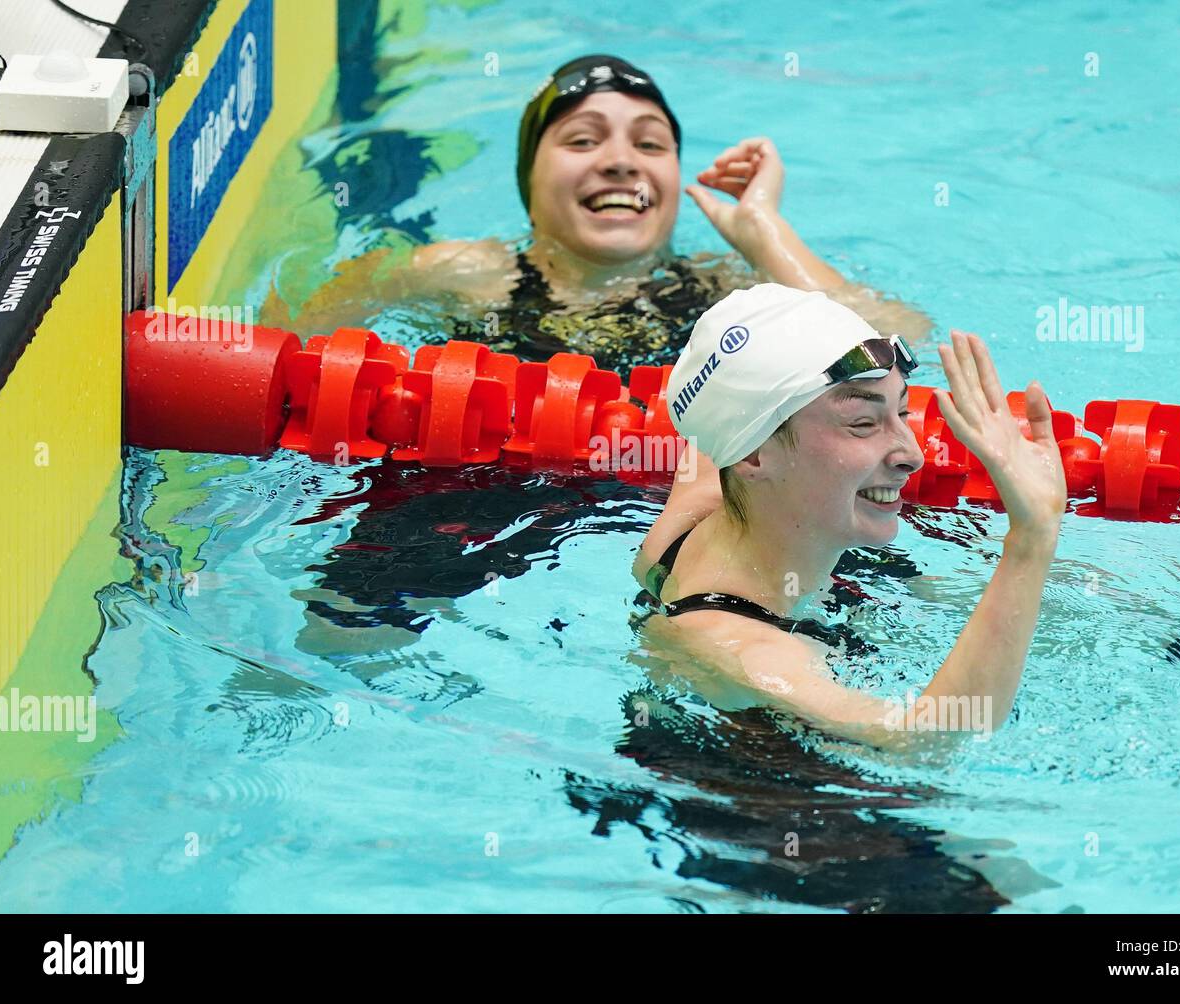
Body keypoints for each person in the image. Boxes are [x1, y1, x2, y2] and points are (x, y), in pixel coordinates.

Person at [268, 54, 931, 371]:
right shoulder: (466, 271)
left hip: (677, 504)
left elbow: (902, 347)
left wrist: (768, 237)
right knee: (346, 620)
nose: (620, 162)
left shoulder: (727, 290)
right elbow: (290, 340)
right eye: (583, 140)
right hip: (484, 485)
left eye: (650, 143)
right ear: (531, 180)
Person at [633, 283, 1067, 751]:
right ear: (756, 456)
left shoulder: (703, 490)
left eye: (902, 411)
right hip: (781, 796)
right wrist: (1031, 537)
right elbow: (927, 741)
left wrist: (765, 234)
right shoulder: (751, 656)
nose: (913, 455)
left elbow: (731, 377)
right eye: (863, 424)